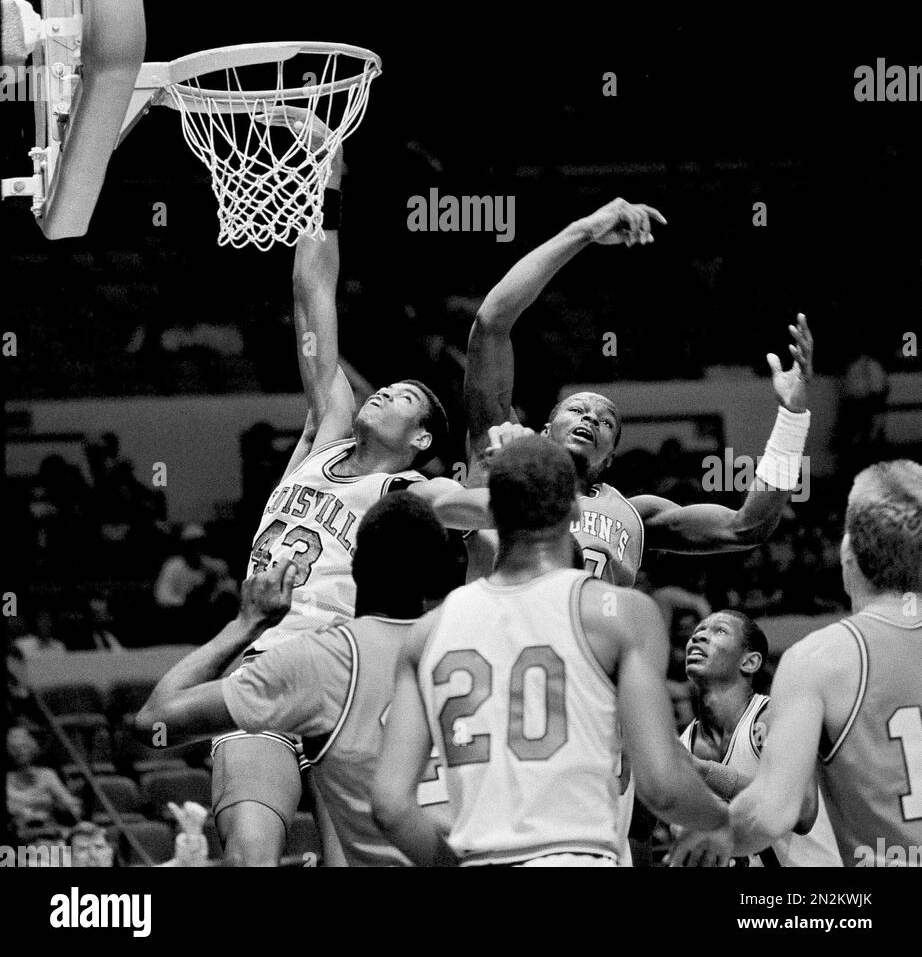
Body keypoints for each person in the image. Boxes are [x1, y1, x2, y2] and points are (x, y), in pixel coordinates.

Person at [204, 141, 488, 866]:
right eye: (386, 384)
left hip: (350, 678)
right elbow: (312, 289)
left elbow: (482, 507)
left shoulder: (413, 493)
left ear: (423, 437)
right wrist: (322, 184)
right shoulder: (322, 436)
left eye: (409, 397)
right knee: (250, 852)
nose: (388, 389)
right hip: (266, 659)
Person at [371, 435, 731, 867]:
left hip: (478, 854)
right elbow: (662, 786)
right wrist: (721, 821)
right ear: (576, 510)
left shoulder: (426, 632)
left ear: (490, 512)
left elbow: (390, 806)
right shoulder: (621, 614)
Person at [464, 197, 813, 582]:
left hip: (586, 640)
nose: (592, 418)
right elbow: (491, 323)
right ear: (544, 432)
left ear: (610, 458)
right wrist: (584, 230)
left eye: (606, 421)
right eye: (577, 410)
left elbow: (746, 527)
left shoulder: (637, 514)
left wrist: (792, 420)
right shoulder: (506, 456)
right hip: (500, 637)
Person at [136, 491, 460, 866]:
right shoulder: (468, 639)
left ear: (354, 567)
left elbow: (154, 721)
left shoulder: (329, 656)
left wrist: (245, 625)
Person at [672, 460, 922, 867]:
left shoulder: (818, 660)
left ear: (847, 553)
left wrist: (707, 837)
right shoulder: (687, 737)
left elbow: (778, 811)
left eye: (717, 632)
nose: (699, 637)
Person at [678, 608, 840, 865]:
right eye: (697, 633)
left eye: (718, 631)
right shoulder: (682, 745)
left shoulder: (774, 717)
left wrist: (704, 772)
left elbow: (801, 812)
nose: (698, 637)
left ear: (749, 662)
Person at [6, 726, 82, 841]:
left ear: (32, 747)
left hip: (48, 833)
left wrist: (65, 807)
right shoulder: (7, 780)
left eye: (23, 746)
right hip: (16, 837)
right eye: (14, 748)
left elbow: (72, 806)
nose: (20, 751)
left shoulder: (47, 774)